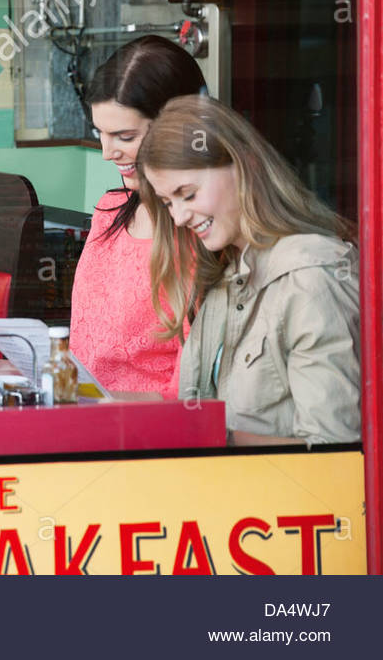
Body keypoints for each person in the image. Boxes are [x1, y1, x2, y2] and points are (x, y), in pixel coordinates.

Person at [138, 95, 360, 445]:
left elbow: (335, 451)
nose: (178, 218)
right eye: (168, 203)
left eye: (189, 194)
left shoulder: (311, 278)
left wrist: (215, 439)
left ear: (246, 166)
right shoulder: (224, 275)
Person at [69, 36, 207, 398]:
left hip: (149, 429)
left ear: (178, 128)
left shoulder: (204, 232)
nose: (107, 152)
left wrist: (93, 406)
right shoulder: (109, 211)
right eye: (100, 133)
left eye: (125, 137)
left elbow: (187, 394)